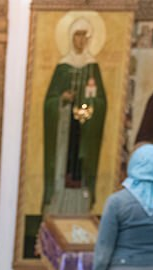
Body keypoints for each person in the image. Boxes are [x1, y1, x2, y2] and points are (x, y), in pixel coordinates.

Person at [42, 17, 107, 215]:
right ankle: (58, 206)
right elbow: (49, 102)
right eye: (77, 36)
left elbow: (103, 101)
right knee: (63, 164)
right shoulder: (63, 67)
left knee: (81, 167)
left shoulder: (92, 67)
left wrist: (91, 107)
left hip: (85, 129)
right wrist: (62, 100)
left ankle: (79, 211)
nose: (80, 41)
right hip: (64, 128)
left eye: (83, 36)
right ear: (71, 38)